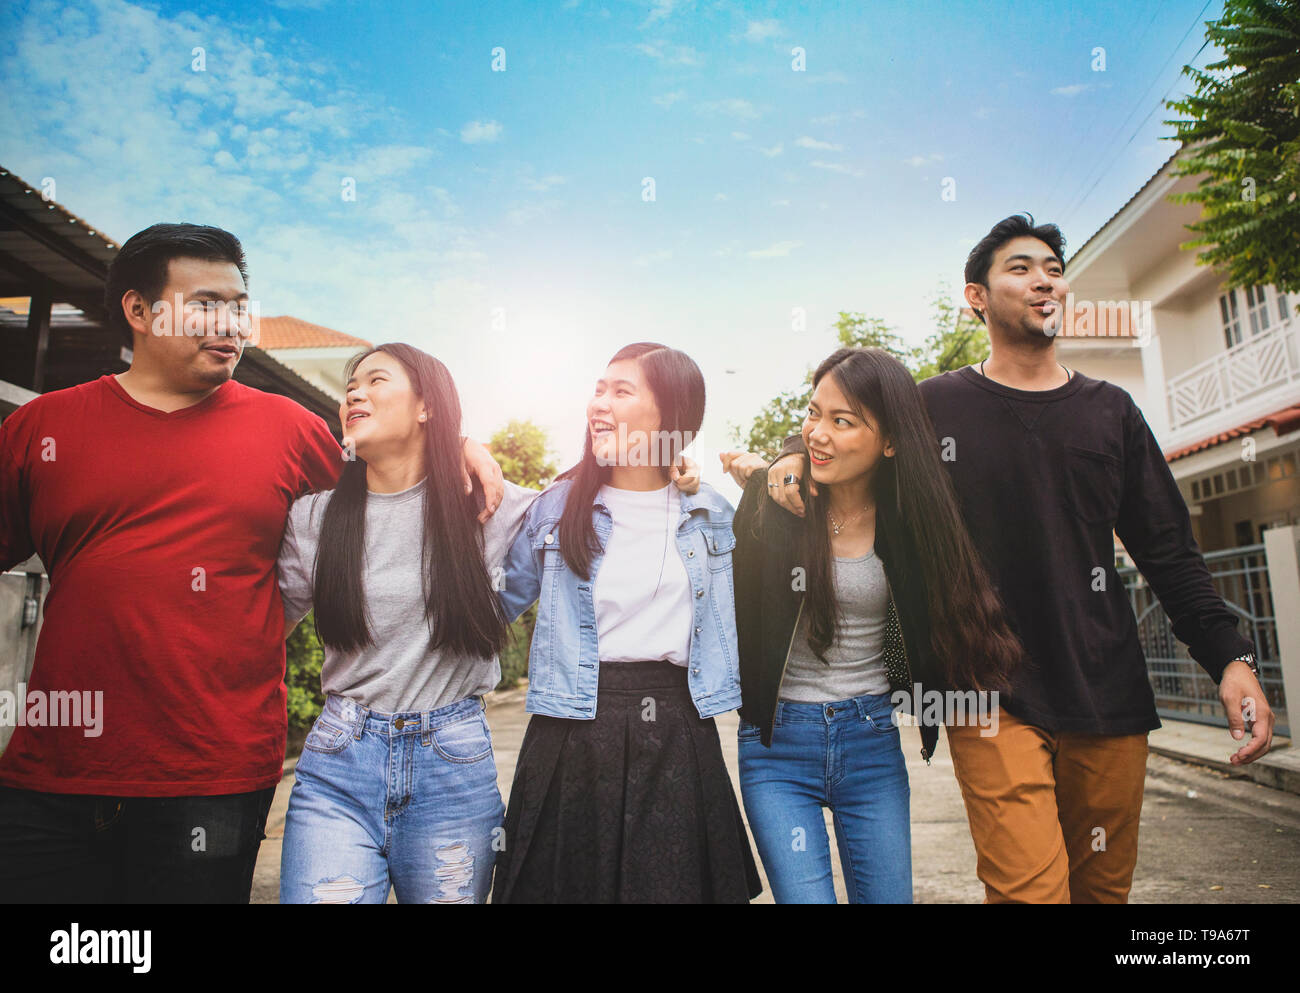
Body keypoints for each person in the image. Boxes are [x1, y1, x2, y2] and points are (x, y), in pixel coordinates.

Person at [745, 214, 1274, 904]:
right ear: (977, 296)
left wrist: (1230, 657)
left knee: (1101, 891)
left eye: (1054, 268)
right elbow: (845, 421)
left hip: (1108, 691)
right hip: (988, 690)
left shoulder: (1111, 411)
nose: (1045, 279)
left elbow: (1170, 552)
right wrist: (790, 453)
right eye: (1021, 268)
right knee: (1029, 892)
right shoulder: (936, 406)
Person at [0, 224, 503, 903]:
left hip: (212, 779)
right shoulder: (41, 428)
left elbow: (392, 483)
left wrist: (457, 442)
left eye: (240, 306)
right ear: (139, 311)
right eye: (207, 303)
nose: (232, 323)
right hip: (49, 774)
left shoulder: (288, 429)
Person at [726, 347, 1020, 903]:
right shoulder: (773, 507)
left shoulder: (913, 523)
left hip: (871, 742)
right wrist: (771, 464)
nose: (818, 434)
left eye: (843, 422)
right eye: (814, 414)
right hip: (776, 744)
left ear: (889, 441)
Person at [491, 342, 761, 903]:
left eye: (621, 391)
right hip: (570, 732)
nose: (599, 403)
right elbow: (486, 609)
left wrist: (778, 468)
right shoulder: (556, 506)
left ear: (671, 416)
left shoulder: (712, 512)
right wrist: (464, 451)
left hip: (678, 733)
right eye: (597, 389)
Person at [277, 344, 536, 904]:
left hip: (452, 770)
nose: (353, 393)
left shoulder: (489, 506)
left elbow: (593, 506)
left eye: (375, 380)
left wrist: (466, 444)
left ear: (427, 406)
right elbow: (254, 631)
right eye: (350, 386)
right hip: (337, 768)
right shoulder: (314, 519)